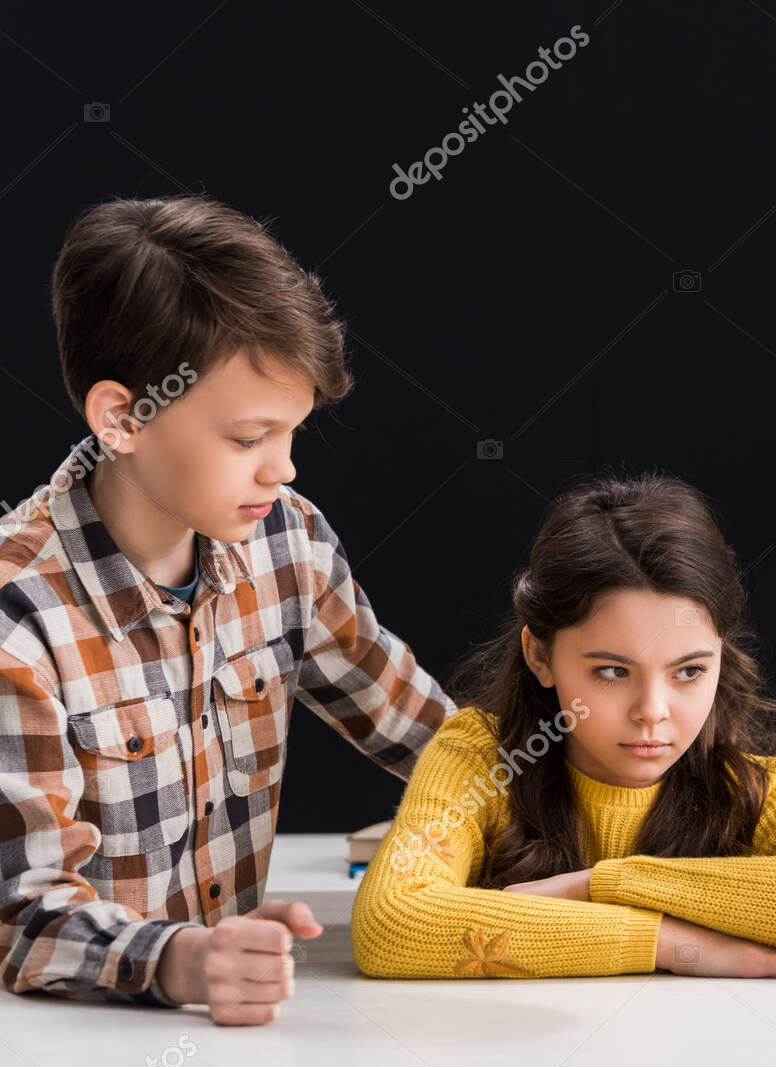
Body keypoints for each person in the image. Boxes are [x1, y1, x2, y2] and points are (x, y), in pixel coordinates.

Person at [0, 197, 454, 1024]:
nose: (281, 470)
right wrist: (184, 959)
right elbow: (21, 916)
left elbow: (425, 732)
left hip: (235, 1032)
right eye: (248, 439)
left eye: (293, 433)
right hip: (68, 1046)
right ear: (122, 418)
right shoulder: (18, 616)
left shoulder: (289, 542)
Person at [351, 472, 776, 979]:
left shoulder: (758, 787)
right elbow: (392, 923)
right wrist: (668, 942)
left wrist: (595, 885)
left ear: (720, 659)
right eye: (612, 671)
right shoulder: (480, 760)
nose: (652, 710)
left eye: (689, 670)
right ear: (540, 656)